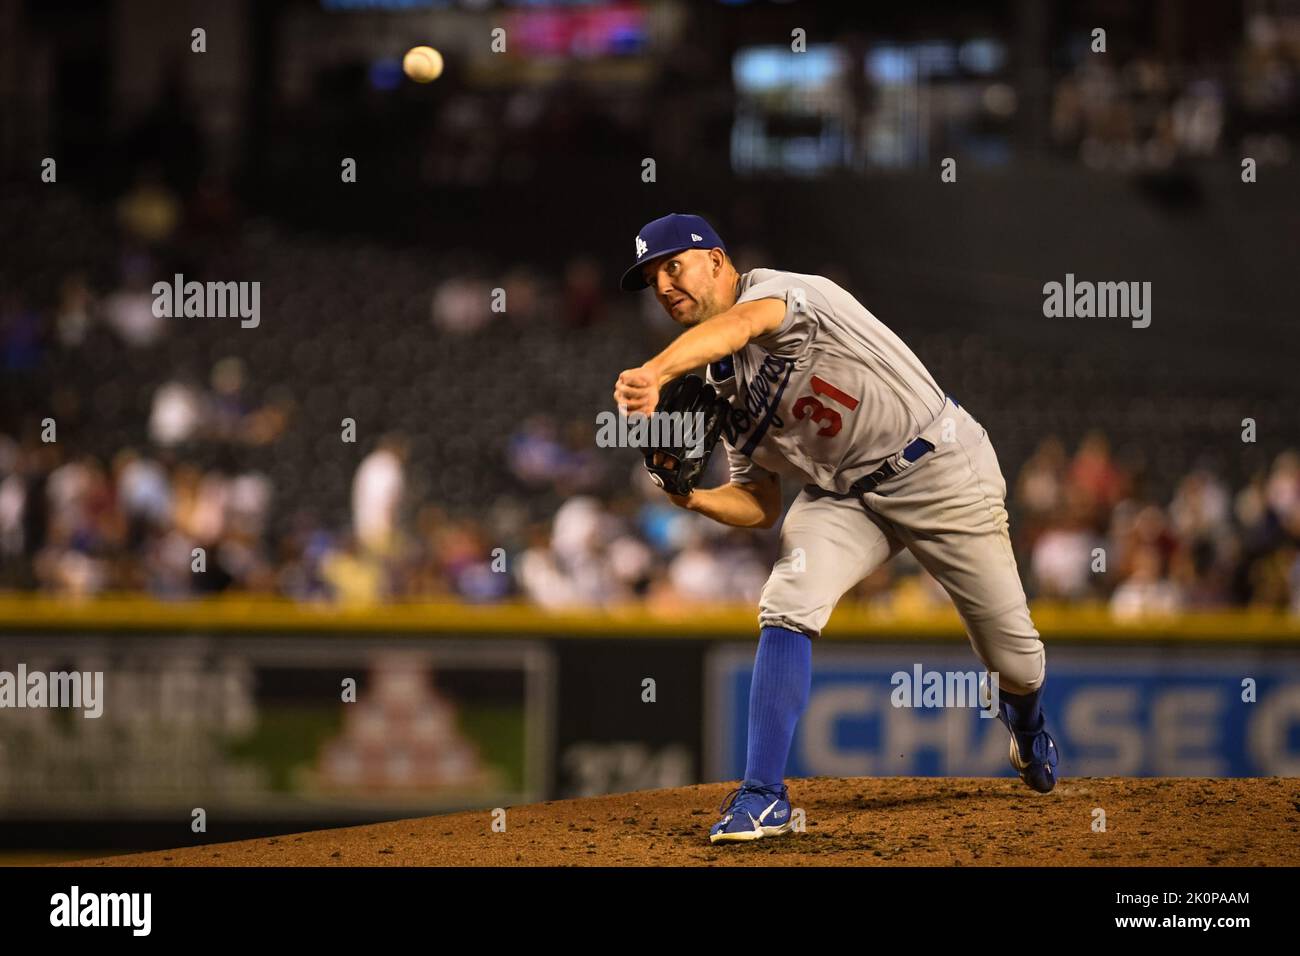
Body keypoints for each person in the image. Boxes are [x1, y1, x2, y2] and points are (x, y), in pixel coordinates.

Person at [612, 213, 1058, 844]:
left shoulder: (782, 293)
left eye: (671, 266)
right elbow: (758, 504)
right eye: (651, 279)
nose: (663, 285)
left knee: (1014, 656)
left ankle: (1028, 722)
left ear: (715, 259)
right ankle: (762, 795)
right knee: (786, 600)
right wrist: (690, 498)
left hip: (939, 466)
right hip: (845, 498)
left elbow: (741, 325)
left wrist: (654, 373)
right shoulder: (722, 385)